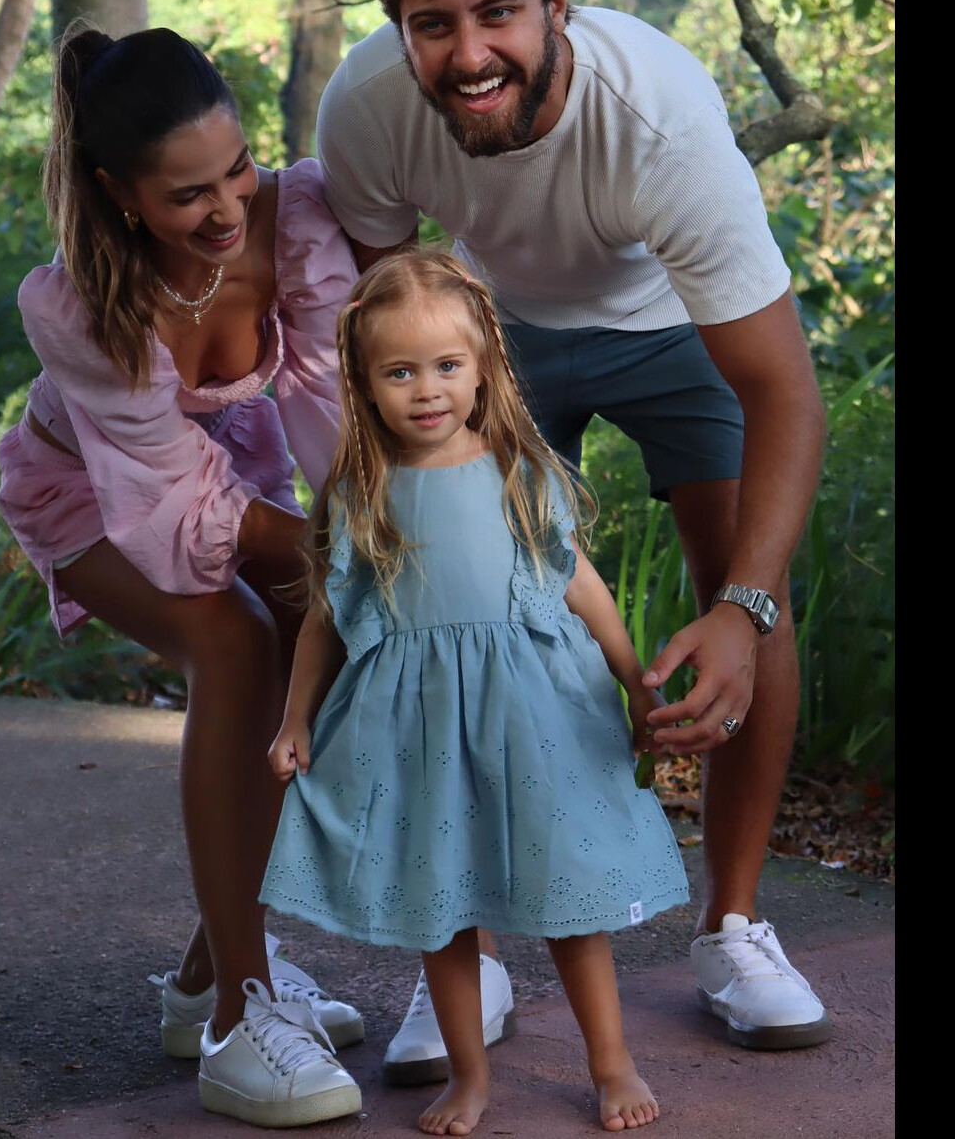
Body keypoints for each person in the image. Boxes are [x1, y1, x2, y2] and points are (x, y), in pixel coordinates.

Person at [314, 0, 830, 1077]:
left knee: (747, 587)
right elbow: (388, 315)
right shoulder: (369, 107)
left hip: (671, 320)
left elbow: (784, 395)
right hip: (488, 331)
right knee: (448, 594)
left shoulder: (660, 118)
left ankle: (734, 923)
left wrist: (743, 612)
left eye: (497, 12)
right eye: (430, 24)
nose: (466, 52)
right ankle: (468, 951)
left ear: (556, 3)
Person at [0, 22, 365, 1128]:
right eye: (187, 195)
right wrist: (309, 555)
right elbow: (164, 499)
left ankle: (210, 968)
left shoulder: (292, 218)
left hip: (233, 473)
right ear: (118, 193)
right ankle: (233, 1024)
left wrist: (364, 542)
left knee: (335, 642)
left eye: (237, 169)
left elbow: (329, 401)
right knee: (237, 645)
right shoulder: (75, 302)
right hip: (90, 497)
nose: (226, 209)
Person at [259, 250, 689, 1135]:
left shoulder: (518, 469)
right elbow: (325, 622)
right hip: (417, 730)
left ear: (483, 363)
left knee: (570, 901)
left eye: (447, 365)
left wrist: (635, 683)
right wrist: (295, 720)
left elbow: (582, 585)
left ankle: (611, 1064)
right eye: (400, 371)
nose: (426, 389)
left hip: (536, 718)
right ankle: (472, 1077)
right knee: (441, 908)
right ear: (365, 382)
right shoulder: (358, 491)